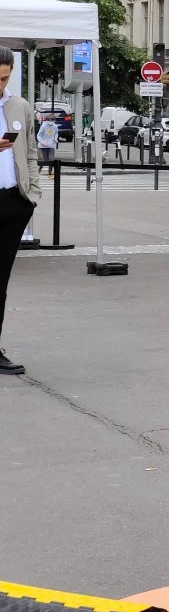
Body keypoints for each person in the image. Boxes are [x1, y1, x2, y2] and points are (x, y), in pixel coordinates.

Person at [0, 48, 41, 376]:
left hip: (14, 202)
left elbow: (30, 151)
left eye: (4, 78)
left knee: (0, 281)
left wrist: (32, 195)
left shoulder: (20, 106)